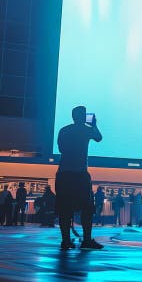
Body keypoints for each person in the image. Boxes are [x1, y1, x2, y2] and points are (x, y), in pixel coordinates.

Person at [55, 105, 103, 250]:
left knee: (65, 209)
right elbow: (99, 138)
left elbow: (61, 149)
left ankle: (65, 240)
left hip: (64, 173)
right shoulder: (86, 130)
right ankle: (87, 240)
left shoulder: (64, 130)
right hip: (80, 174)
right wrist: (94, 125)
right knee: (87, 208)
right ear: (83, 116)